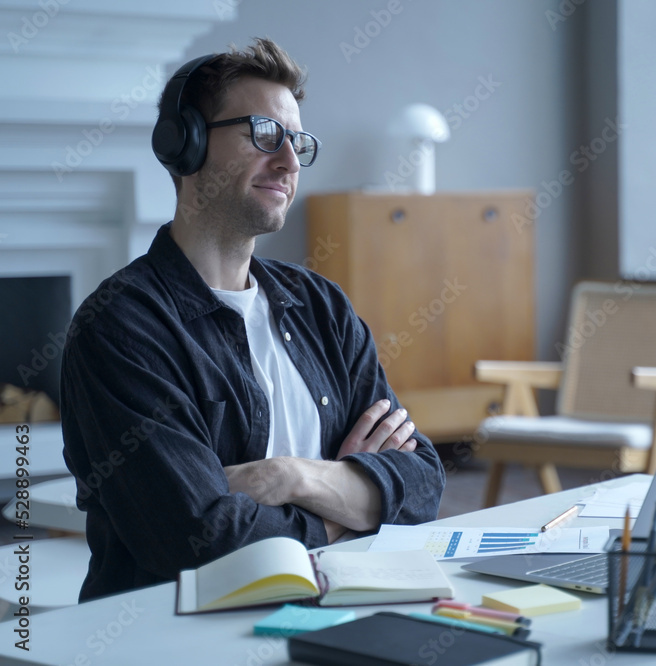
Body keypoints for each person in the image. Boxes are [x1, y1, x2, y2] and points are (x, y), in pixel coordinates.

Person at [60, 38, 445, 602]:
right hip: (179, 641)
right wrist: (347, 506)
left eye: (297, 142)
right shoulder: (120, 327)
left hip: (336, 610)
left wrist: (288, 476)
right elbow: (198, 541)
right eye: (265, 134)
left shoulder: (323, 307)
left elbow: (424, 483)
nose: (289, 162)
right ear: (185, 145)